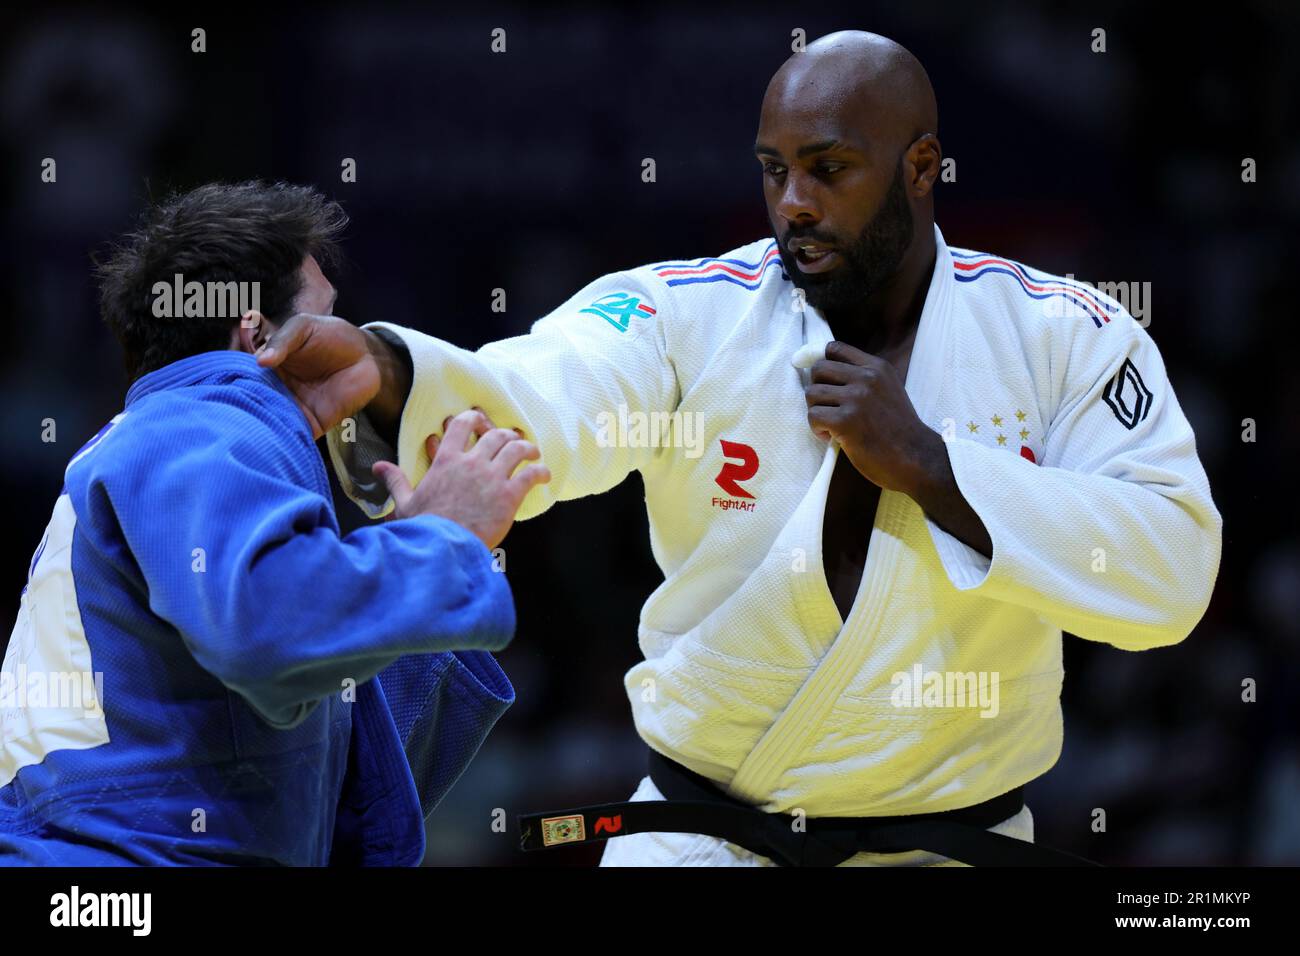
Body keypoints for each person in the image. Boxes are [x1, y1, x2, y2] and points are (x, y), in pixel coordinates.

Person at [261, 32, 1222, 866]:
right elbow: (545, 390)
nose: (793, 201)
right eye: (774, 169)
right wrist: (389, 371)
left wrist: (932, 466)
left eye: (829, 168)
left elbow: (1172, 569)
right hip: (699, 840)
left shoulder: (1064, 335)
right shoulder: (687, 313)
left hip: (951, 845)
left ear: (922, 166)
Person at [0, 181, 549, 865]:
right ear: (260, 332)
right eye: (327, 314)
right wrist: (444, 544)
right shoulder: (203, 420)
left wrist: (420, 568)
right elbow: (268, 632)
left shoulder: (149, 441)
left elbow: (345, 787)